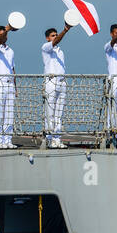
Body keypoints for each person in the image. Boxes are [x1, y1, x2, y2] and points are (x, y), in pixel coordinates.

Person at [42, 19, 72, 149]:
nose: (55, 37)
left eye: (56, 34)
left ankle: (57, 138)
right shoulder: (46, 47)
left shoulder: (61, 51)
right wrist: (65, 30)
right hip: (51, 81)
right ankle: (49, 138)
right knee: (50, 112)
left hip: (61, 82)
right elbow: (56, 41)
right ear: (48, 38)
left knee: (59, 113)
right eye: (53, 35)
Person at [0, 25, 16, 149]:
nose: (5, 36)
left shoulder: (10, 51)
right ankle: (0, 140)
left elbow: (12, 68)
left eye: (6, 34)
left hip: (9, 83)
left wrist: (15, 87)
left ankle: (8, 140)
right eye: (2, 34)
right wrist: (7, 28)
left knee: (9, 114)